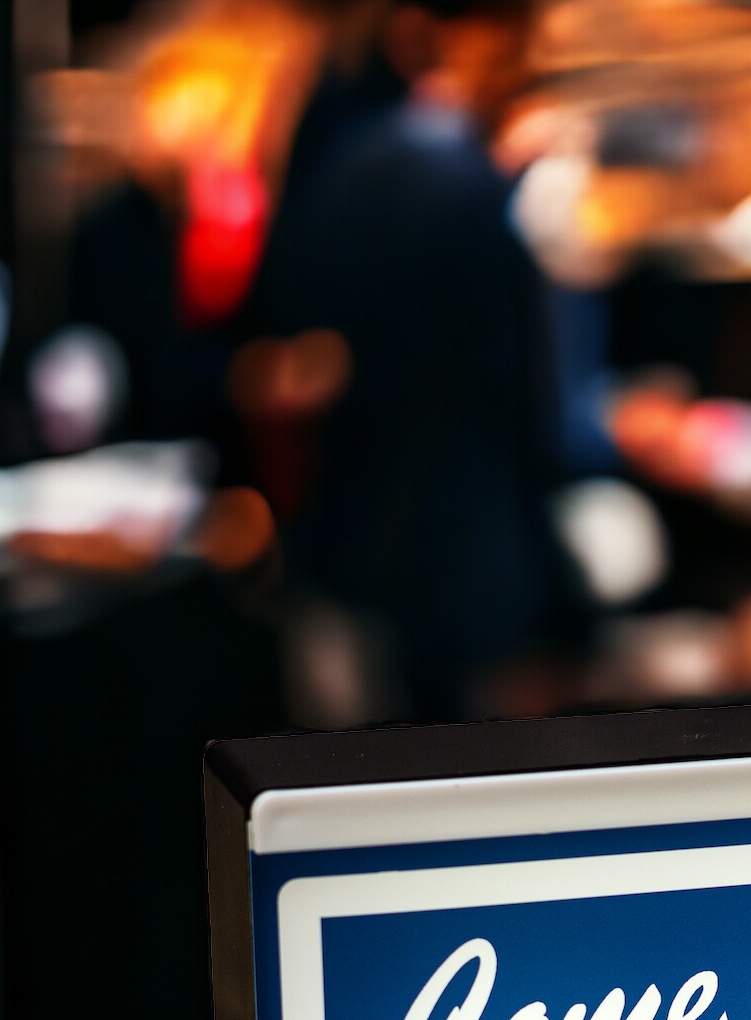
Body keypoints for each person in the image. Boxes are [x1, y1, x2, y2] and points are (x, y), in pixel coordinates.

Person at [257, 0, 567, 721]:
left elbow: (291, 321)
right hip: (466, 536)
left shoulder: (340, 167)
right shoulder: (463, 180)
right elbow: (522, 382)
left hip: (357, 518)